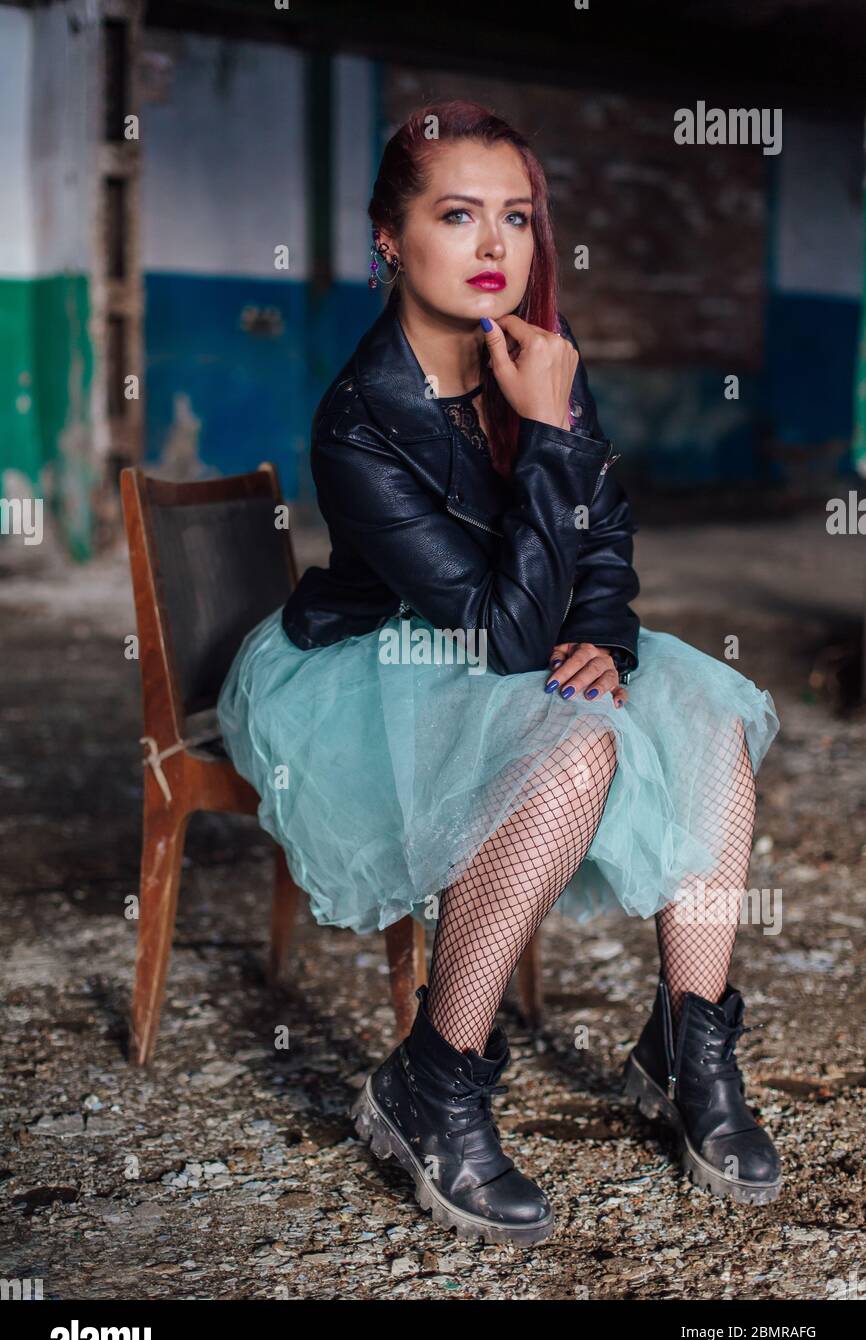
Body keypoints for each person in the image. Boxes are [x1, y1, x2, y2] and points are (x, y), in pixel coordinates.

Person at [217, 99, 783, 1247]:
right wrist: (551, 438)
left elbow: (605, 544)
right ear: (390, 237)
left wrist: (610, 640)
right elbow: (500, 634)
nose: (494, 248)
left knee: (705, 713)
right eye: (457, 215)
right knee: (574, 741)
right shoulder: (359, 421)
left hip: (499, 645)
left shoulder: (540, 362)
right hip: (383, 669)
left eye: (515, 219)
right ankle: (433, 1074)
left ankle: (688, 1042)